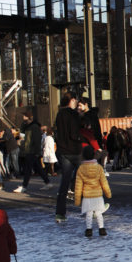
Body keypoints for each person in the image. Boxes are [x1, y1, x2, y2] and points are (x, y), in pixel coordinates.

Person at [54, 92, 83, 222]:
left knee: (64, 183)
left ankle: (60, 213)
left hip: (63, 151)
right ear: (71, 100)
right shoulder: (73, 114)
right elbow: (74, 133)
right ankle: (92, 208)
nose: (76, 102)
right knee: (86, 178)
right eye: (75, 100)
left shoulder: (59, 114)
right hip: (75, 150)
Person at [74, 145, 111, 237]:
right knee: (99, 213)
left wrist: (77, 200)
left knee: (89, 214)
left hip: (87, 196)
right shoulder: (98, 168)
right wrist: (108, 193)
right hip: (97, 195)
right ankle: (101, 229)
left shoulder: (81, 169)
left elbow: (78, 186)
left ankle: (89, 230)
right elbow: (104, 182)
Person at [15, 110, 50, 193]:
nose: (23, 118)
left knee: (28, 169)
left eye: (24, 116)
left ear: (28, 117)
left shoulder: (33, 127)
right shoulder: (29, 126)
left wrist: (37, 151)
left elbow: (36, 140)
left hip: (32, 150)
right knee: (37, 168)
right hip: (30, 150)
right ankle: (47, 182)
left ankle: (24, 186)